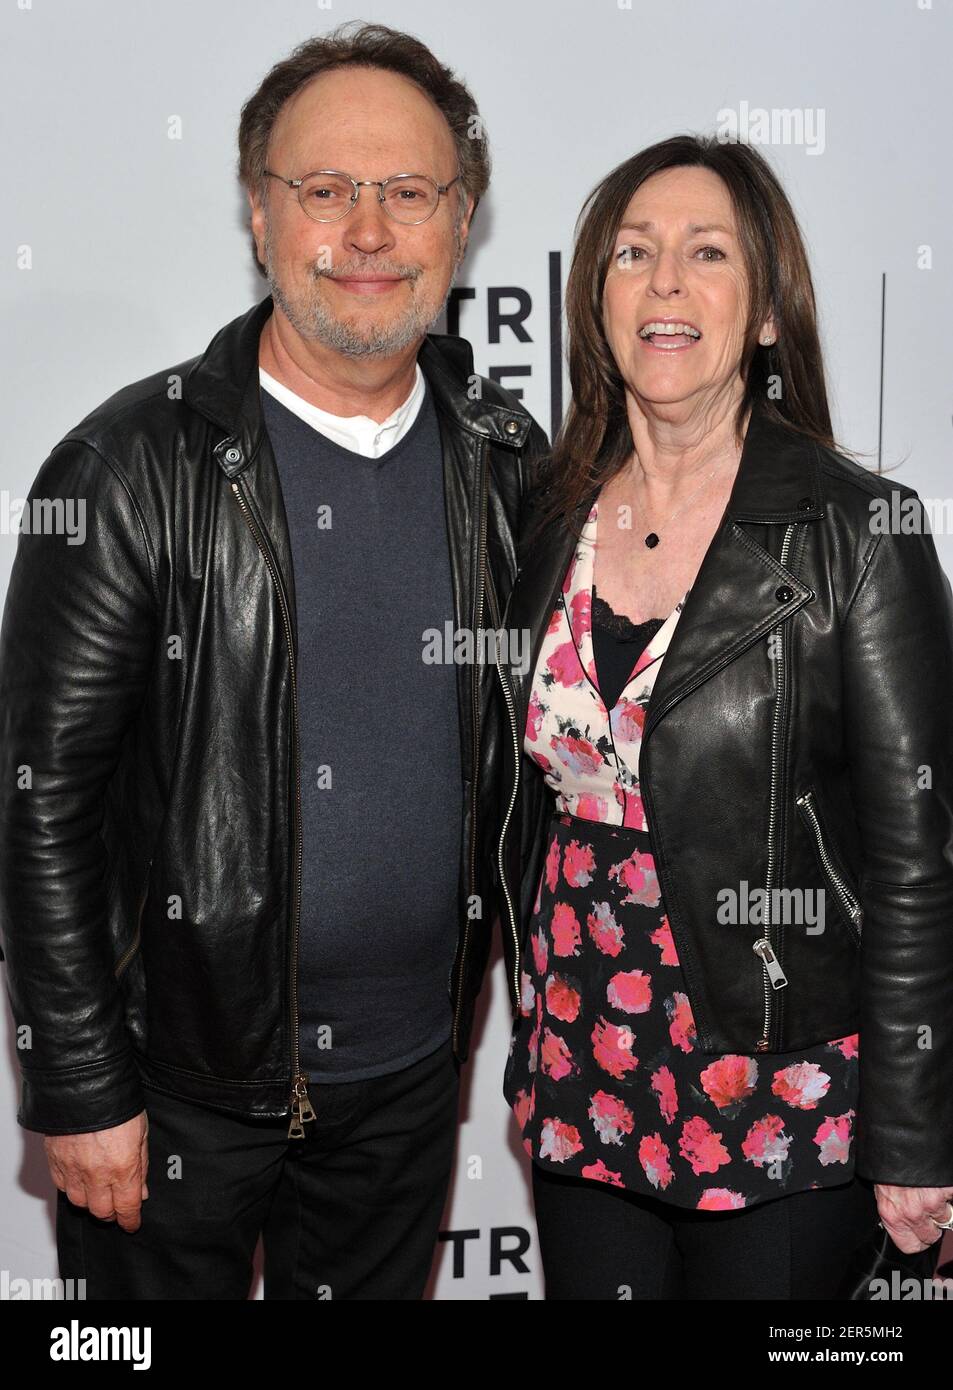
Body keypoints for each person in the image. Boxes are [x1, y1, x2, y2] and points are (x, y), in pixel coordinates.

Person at [0, 22, 547, 1300]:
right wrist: (80, 1086)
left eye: (407, 192)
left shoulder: (512, 466)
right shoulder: (125, 471)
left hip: (412, 1084)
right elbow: (42, 808)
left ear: (457, 223)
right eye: (325, 190)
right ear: (259, 213)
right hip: (170, 1095)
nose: (367, 231)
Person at [496, 133, 953, 1299]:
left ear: (762, 312)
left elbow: (916, 858)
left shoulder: (858, 529)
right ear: (592, 297)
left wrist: (913, 1127)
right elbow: (516, 820)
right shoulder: (550, 516)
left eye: (704, 254)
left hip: (784, 1072)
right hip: (585, 1051)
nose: (661, 283)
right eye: (631, 254)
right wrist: (526, 1037)